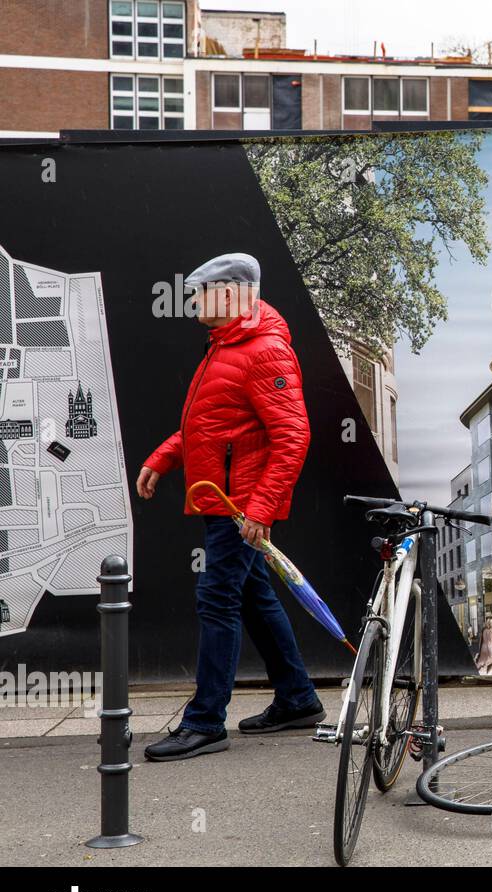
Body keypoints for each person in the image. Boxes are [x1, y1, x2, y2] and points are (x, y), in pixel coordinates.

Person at [136, 253, 320, 761]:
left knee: (217, 598)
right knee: (253, 598)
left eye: (201, 292)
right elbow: (211, 425)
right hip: (224, 501)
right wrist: (163, 458)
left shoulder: (264, 352)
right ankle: (298, 698)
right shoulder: (227, 346)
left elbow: (293, 436)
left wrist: (261, 508)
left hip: (239, 506)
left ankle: (204, 721)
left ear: (232, 293)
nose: (193, 301)